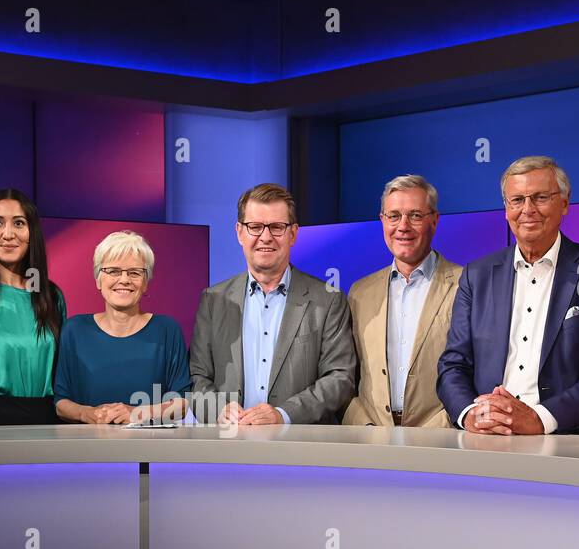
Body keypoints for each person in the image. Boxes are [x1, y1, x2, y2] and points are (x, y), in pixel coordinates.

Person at [437, 156, 579, 435]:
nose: (527, 209)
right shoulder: (476, 275)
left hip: (566, 439)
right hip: (486, 437)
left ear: (564, 203)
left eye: (540, 197)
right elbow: (453, 364)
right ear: (506, 209)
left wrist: (541, 418)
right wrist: (470, 414)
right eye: (517, 200)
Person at [189, 183, 356, 425]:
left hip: (300, 450)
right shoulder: (213, 300)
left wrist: (283, 415)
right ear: (239, 232)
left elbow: (339, 378)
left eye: (277, 227)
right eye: (255, 227)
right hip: (227, 450)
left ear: (293, 234)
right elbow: (197, 377)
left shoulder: (328, 300)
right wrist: (217, 410)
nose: (265, 237)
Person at [343, 175, 463, 427]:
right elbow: (347, 374)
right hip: (373, 439)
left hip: (440, 438)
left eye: (415, 215)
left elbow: (477, 368)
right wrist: (361, 424)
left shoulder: (466, 284)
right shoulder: (360, 292)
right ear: (382, 221)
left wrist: (443, 424)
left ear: (434, 220)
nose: (403, 226)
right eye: (394, 216)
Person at [53, 231, 189, 424]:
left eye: (134, 272)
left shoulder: (167, 330)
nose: (124, 279)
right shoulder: (74, 330)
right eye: (113, 271)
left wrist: (136, 413)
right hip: (87, 447)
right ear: (98, 279)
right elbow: (60, 402)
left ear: (146, 283)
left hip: (151, 450)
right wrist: (88, 413)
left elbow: (182, 403)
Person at [0, 189, 65, 425]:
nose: (8, 234)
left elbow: (63, 376)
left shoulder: (51, 297)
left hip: (48, 425)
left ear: (31, 232)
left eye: (18, 223)